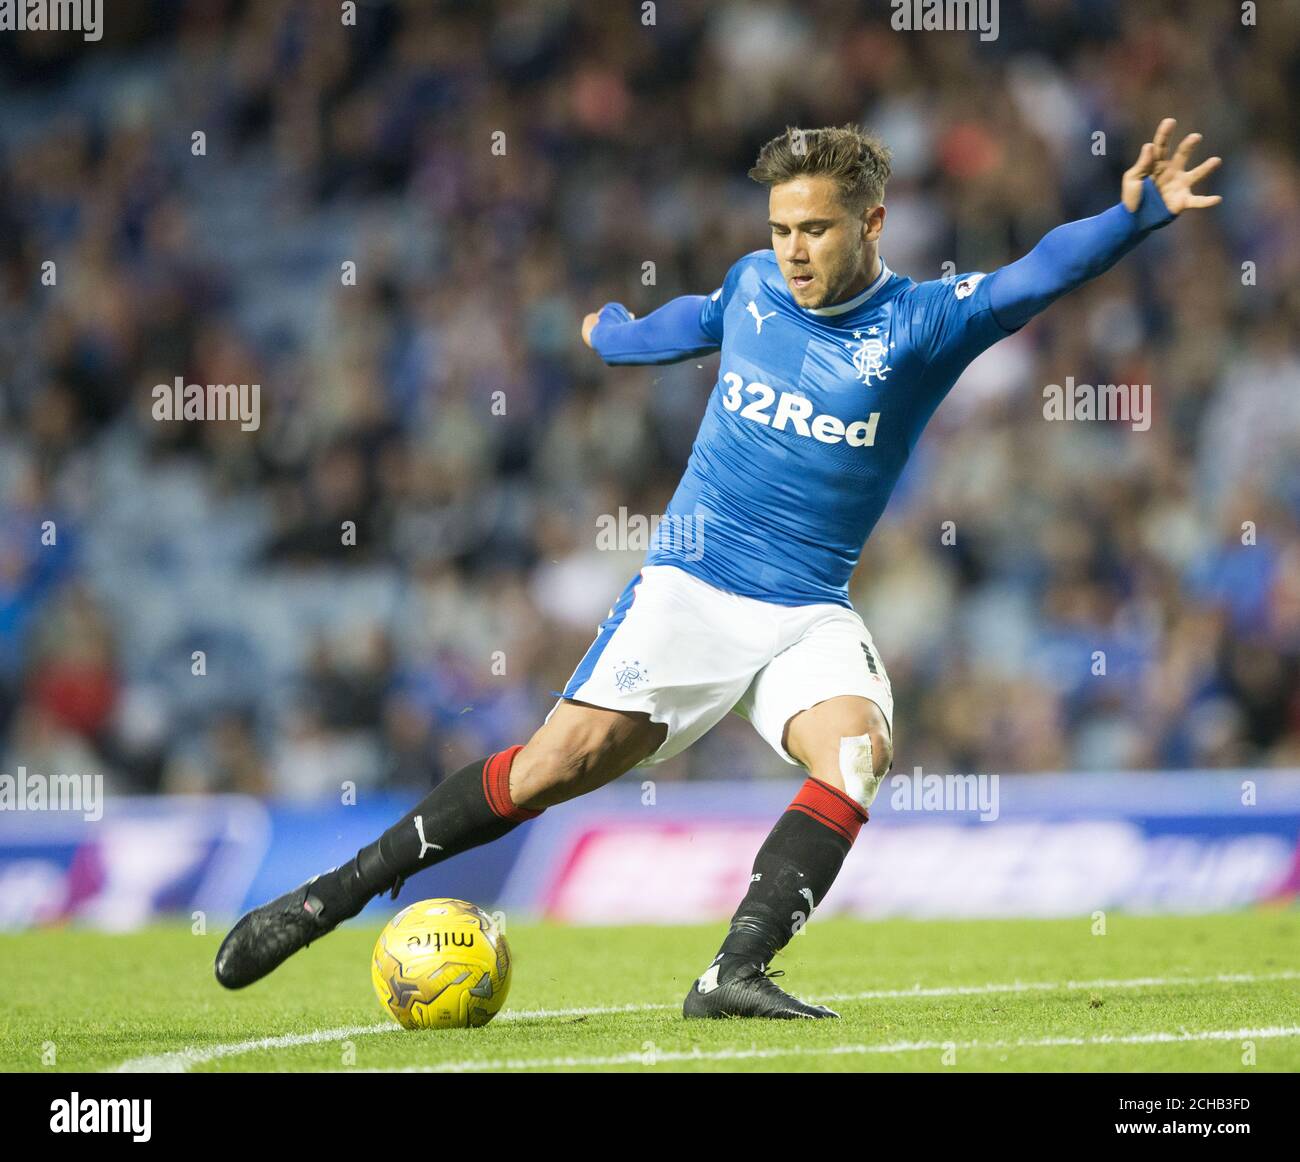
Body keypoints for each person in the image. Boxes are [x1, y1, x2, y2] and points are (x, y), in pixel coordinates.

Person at [215, 119, 1221, 1018]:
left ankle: (731, 972)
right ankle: (323, 899)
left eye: (815, 230)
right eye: (780, 228)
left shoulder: (921, 325)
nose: (791, 250)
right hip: (689, 592)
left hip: (806, 609)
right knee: (546, 769)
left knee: (858, 751)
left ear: (871, 223)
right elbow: (682, 324)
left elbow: (1030, 276)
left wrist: (1128, 220)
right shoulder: (751, 286)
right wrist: (610, 335)